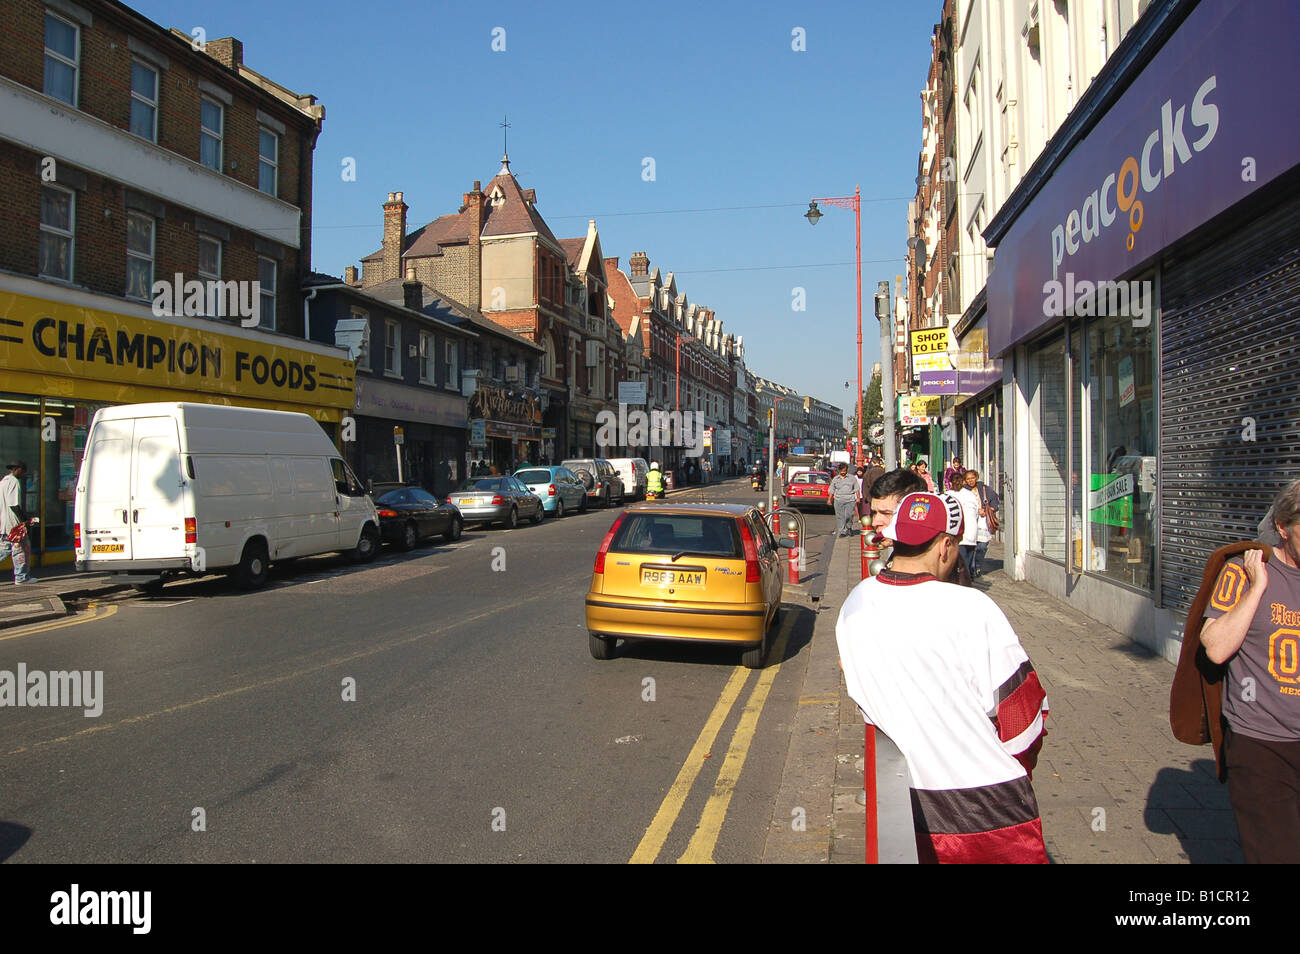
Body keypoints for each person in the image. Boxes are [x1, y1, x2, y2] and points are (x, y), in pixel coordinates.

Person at [836, 490, 1049, 863]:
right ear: (946, 546)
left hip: (903, 808)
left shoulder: (854, 604)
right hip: (986, 811)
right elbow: (1024, 719)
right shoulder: (972, 608)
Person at [1200, 479, 1300, 863]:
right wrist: (1257, 589)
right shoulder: (1242, 569)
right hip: (1262, 744)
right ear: (1282, 528)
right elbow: (1217, 647)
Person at [1, 461, 38, 585]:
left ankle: (22, 576)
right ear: (18, 469)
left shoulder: (3, 482)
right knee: (21, 549)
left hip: (4, 524)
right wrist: (25, 521)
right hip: (14, 525)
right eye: (23, 471)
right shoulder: (14, 482)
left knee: (4, 549)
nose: (23, 474)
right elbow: (14, 505)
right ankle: (21, 577)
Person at [954, 472, 982, 578]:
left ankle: (965, 580)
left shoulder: (949, 494)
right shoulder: (970, 494)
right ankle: (968, 577)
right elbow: (976, 514)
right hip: (971, 532)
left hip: (960, 532)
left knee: (963, 561)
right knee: (968, 559)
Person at [829, 463, 860, 537]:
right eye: (842, 471)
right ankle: (842, 531)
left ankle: (849, 527)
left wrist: (858, 497)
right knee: (840, 516)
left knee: (849, 515)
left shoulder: (852, 478)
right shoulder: (835, 479)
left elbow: (856, 488)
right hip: (838, 499)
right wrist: (829, 499)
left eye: (845, 471)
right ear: (839, 470)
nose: (843, 472)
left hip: (850, 499)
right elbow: (831, 490)